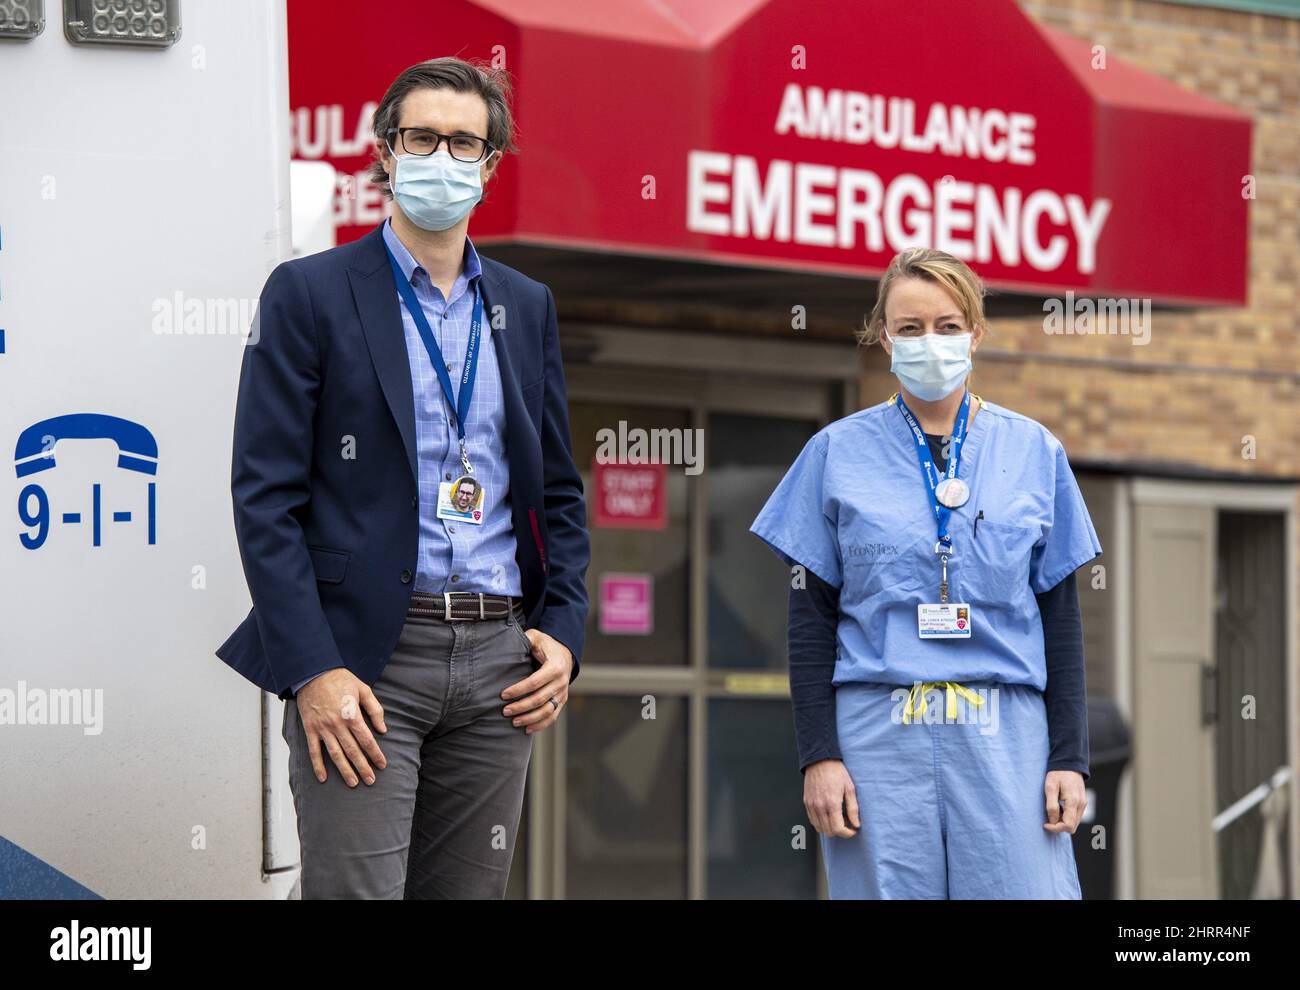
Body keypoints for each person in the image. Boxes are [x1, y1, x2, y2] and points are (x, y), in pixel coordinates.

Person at [215, 57, 590, 899]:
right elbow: (264, 498)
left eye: (465, 143)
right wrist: (313, 669)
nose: (442, 157)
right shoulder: (309, 293)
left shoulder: (525, 307)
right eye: (423, 137)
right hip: (364, 662)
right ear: (387, 151)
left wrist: (564, 628)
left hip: (501, 661)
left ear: (490, 167)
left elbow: (558, 491)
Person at [750, 247, 1101, 899]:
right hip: (878, 733)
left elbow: (1061, 616)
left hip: (1005, 732)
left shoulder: (1034, 452)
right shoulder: (836, 452)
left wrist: (1068, 758)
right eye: (909, 328)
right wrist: (820, 756)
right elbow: (810, 618)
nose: (928, 342)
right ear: (883, 338)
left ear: (976, 333)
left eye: (946, 325)